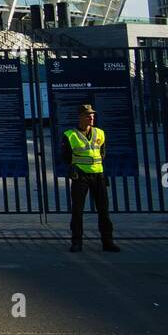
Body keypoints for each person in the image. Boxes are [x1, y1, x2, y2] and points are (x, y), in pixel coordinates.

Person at [62, 104, 119, 253]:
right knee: (77, 210)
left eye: (92, 115)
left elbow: (103, 153)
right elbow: (66, 156)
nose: (91, 117)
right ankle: (77, 242)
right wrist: (74, 167)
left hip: (98, 175)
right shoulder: (70, 135)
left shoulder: (100, 133)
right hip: (80, 176)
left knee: (103, 210)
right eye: (88, 115)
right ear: (80, 117)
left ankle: (108, 242)